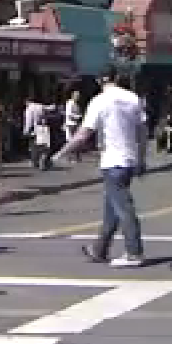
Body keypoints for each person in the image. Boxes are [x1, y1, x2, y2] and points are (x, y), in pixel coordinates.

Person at [58, 71, 147, 268]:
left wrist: (63, 151)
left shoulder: (100, 100)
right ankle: (100, 248)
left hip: (112, 160)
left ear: (101, 81)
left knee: (123, 208)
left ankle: (134, 252)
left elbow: (84, 134)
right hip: (129, 159)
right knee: (112, 208)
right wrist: (142, 158)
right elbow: (142, 131)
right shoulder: (133, 98)